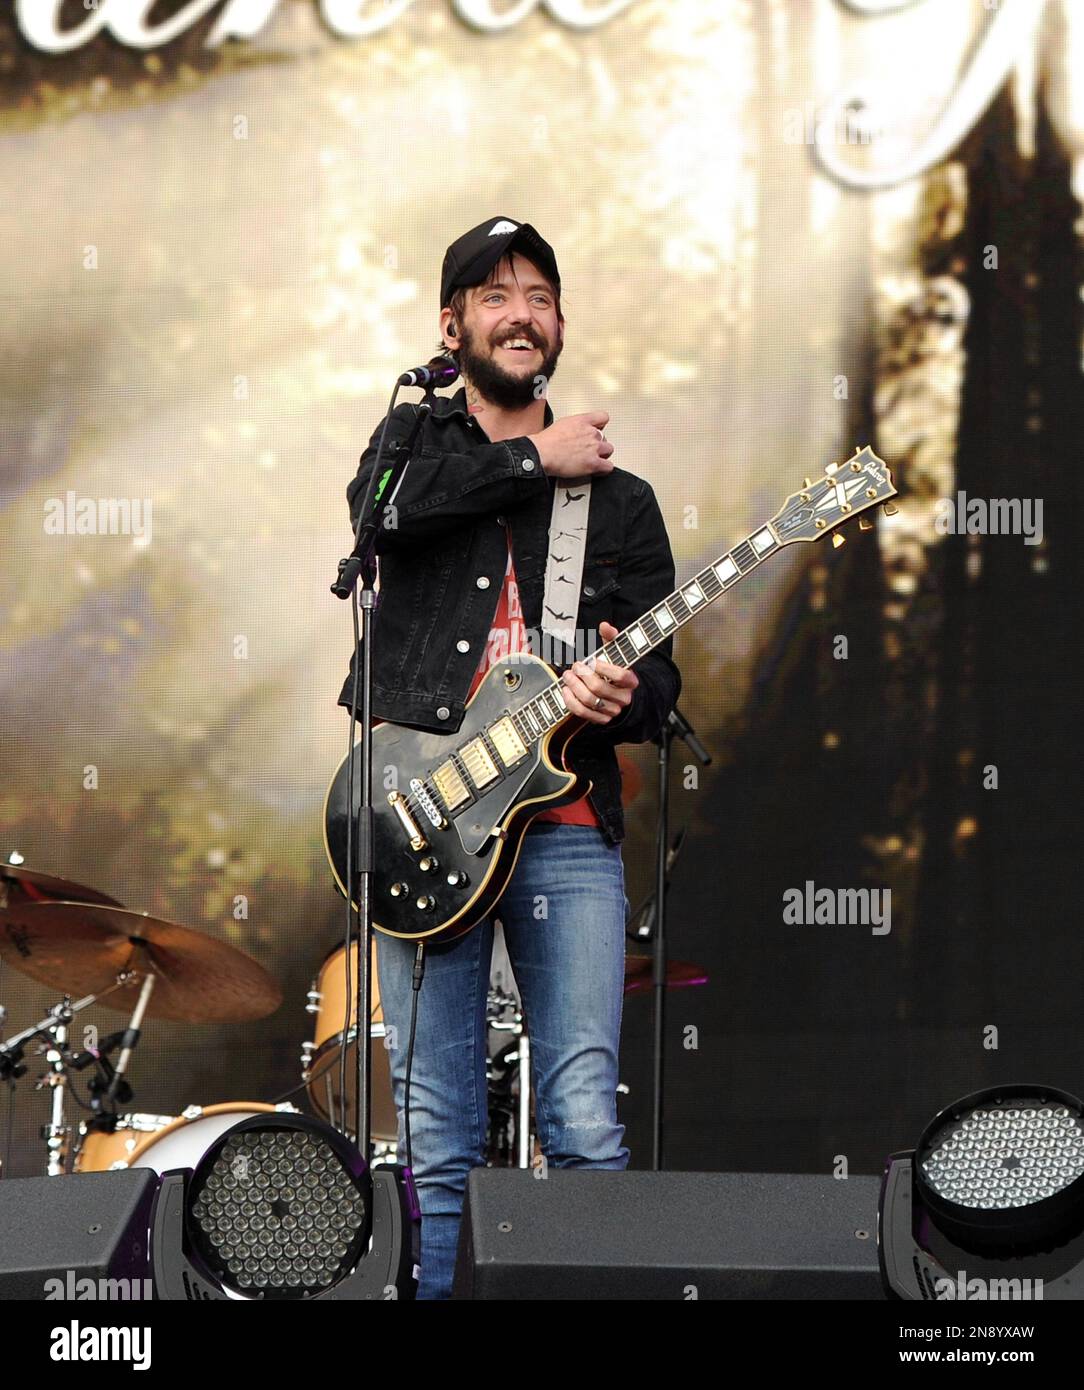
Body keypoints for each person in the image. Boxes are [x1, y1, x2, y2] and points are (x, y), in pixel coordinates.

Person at [338, 216, 681, 1299]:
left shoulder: (618, 501)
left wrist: (622, 696)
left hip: (565, 830)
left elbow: (661, 685)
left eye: (539, 296)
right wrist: (535, 457)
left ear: (560, 325)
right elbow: (380, 518)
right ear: (453, 326)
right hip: (424, 826)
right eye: (495, 295)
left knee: (582, 1120)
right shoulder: (411, 448)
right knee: (435, 1136)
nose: (520, 313)